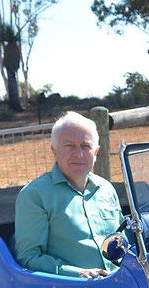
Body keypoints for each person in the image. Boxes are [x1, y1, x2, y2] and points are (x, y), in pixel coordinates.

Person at [14, 111, 123, 278]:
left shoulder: (106, 189)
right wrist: (79, 273)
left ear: (96, 152)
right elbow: (28, 257)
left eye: (86, 146)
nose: (78, 154)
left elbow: (123, 239)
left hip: (122, 284)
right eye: (69, 146)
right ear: (54, 151)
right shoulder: (35, 195)